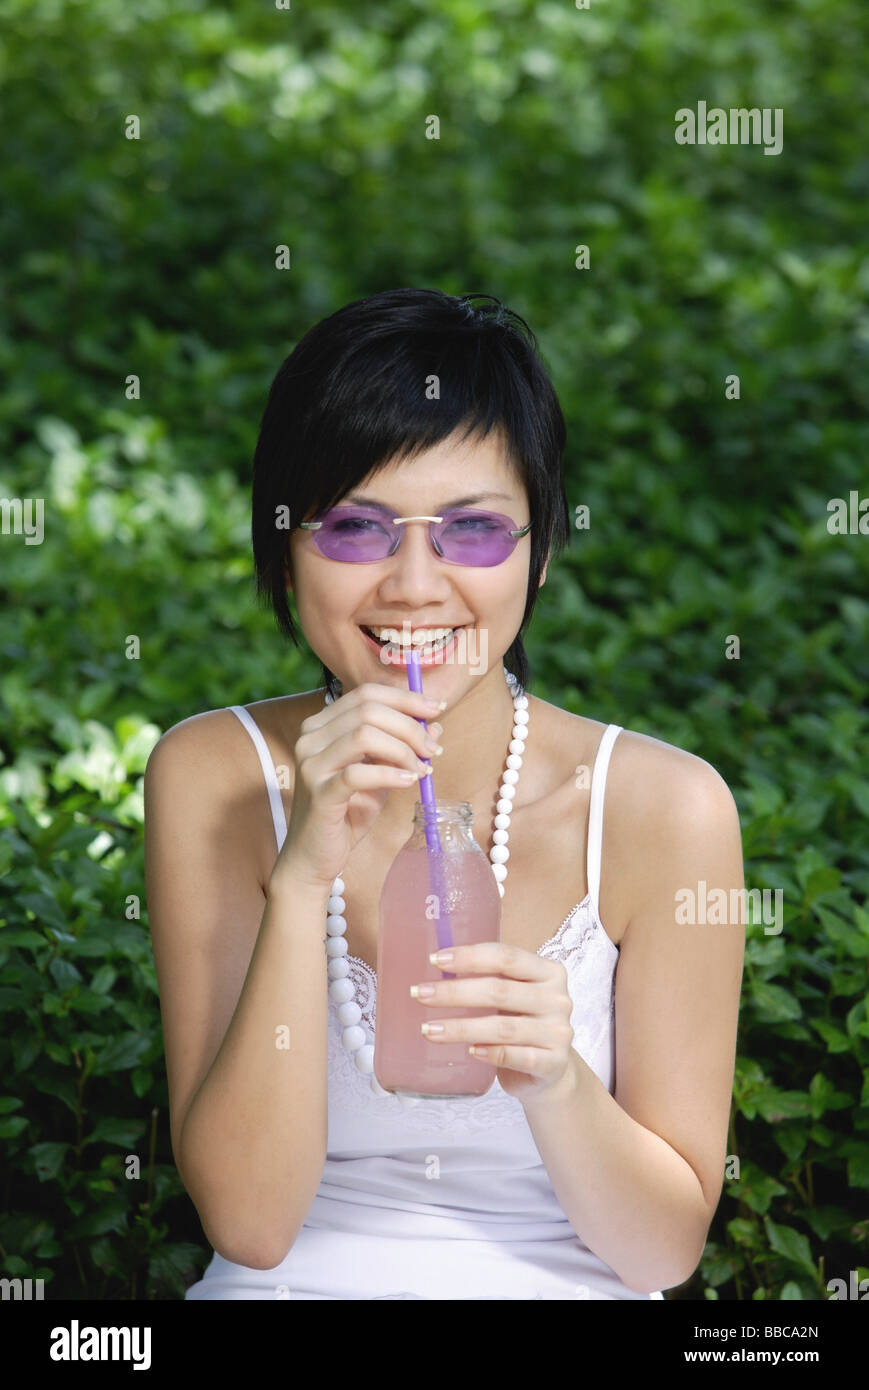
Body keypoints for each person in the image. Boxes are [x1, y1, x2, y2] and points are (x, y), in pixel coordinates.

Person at [145, 287, 746, 1300]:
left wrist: (556, 1079)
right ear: (286, 551)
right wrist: (299, 884)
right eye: (354, 528)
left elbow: (658, 1254)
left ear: (541, 549)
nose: (414, 585)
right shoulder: (214, 777)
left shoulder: (664, 810)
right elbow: (250, 1224)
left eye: (471, 531)